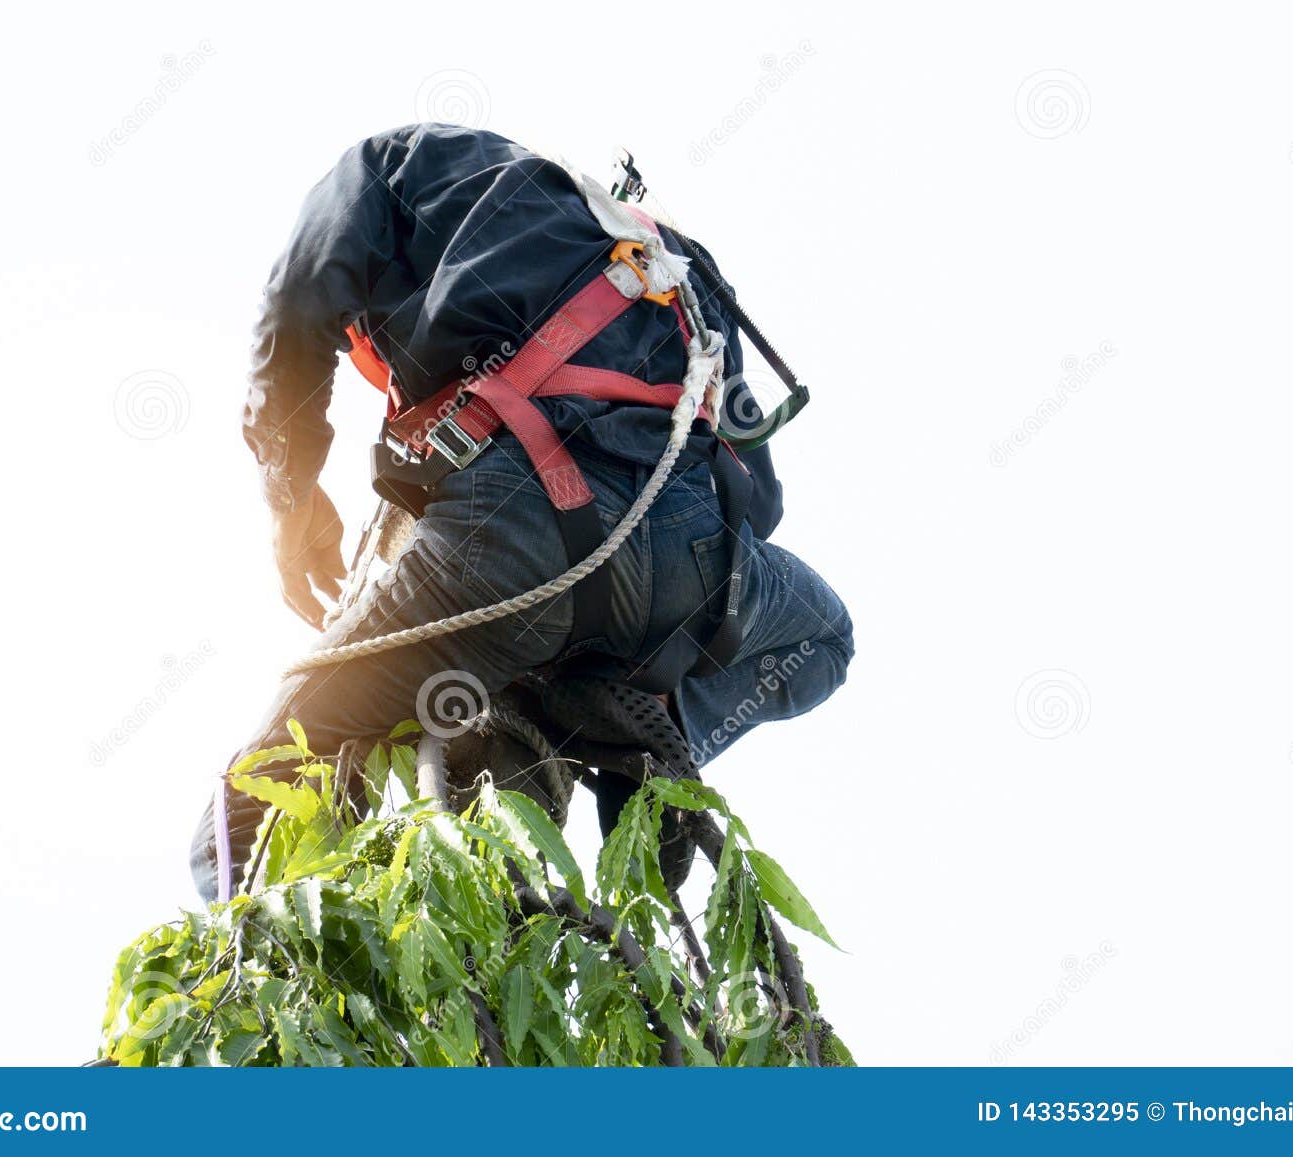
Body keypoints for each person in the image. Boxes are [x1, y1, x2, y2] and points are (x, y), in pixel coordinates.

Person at [190, 123, 853, 900]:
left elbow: (296, 302)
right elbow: (756, 499)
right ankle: (628, 705)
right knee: (826, 636)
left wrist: (291, 499)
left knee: (253, 800)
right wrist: (665, 625)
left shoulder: (402, 167)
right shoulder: (688, 276)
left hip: (508, 539)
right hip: (691, 563)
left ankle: (260, 938)